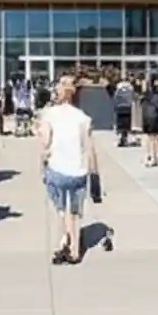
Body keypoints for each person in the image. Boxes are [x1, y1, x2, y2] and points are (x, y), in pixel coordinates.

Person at [41, 76, 97, 265]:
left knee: (62, 210)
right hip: (78, 169)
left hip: (57, 167)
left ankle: (72, 247)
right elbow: (89, 148)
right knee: (75, 211)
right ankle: (71, 244)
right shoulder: (83, 118)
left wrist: (43, 157)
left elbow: (45, 143)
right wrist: (94, 174)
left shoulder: (49, 114)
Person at [138, 79, 158, 166]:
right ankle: (154, 158)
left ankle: (149, 155)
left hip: (147, 118)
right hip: (155, 118)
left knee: (149, 138)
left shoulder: (145, 97)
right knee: (155, 139)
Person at [110, 74, 135, 148]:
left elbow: (115, 96)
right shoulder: (130, 87)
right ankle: (125, 138)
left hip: (120, 106)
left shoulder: (118, 86)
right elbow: (132, 96)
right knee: (127, 124)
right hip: (127, 106)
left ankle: (121, 138)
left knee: (120, 124)